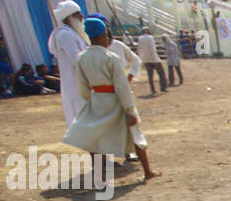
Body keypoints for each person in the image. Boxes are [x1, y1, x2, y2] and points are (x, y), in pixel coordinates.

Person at [63, 16, 161, 183]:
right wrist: (130, 110)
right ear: (103, 35)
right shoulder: (111, 58)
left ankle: (100, 176)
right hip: (116, 100)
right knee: (135, 133)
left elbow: (82, 87)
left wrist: (92, 100)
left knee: (95, 138)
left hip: (97, 100)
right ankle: (147, 171)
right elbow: (122, 87)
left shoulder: (81, 58)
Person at [48, 0, 89, 126]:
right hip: (75, 81)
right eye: (78, 14)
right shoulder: (64, 34)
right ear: (70, 17)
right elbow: (76, 58)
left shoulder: (74, 33)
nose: (81, 17)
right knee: (80, 114)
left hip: (83, 80)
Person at [136, 27, 167, 94]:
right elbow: (153, 49)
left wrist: (141, 59)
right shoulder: (151, 38)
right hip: (154, 59)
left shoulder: (140, 38)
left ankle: (152, 90)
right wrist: (156, 58)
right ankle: (163, 87)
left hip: (145, 59)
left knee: (150, 75)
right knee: (161, 73)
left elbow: (139, 49)